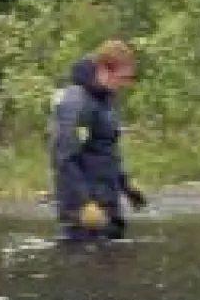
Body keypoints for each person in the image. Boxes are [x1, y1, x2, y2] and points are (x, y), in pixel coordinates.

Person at [50, 39, 148, 243]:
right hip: (84, 214)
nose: (124, 84)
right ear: (104, 69)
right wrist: (84, 204)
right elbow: (64, 158)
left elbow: (103, 149)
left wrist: (126, 186)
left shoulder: (105, 99)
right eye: (122, 78)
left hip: (107, 204)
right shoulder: (77, 103)